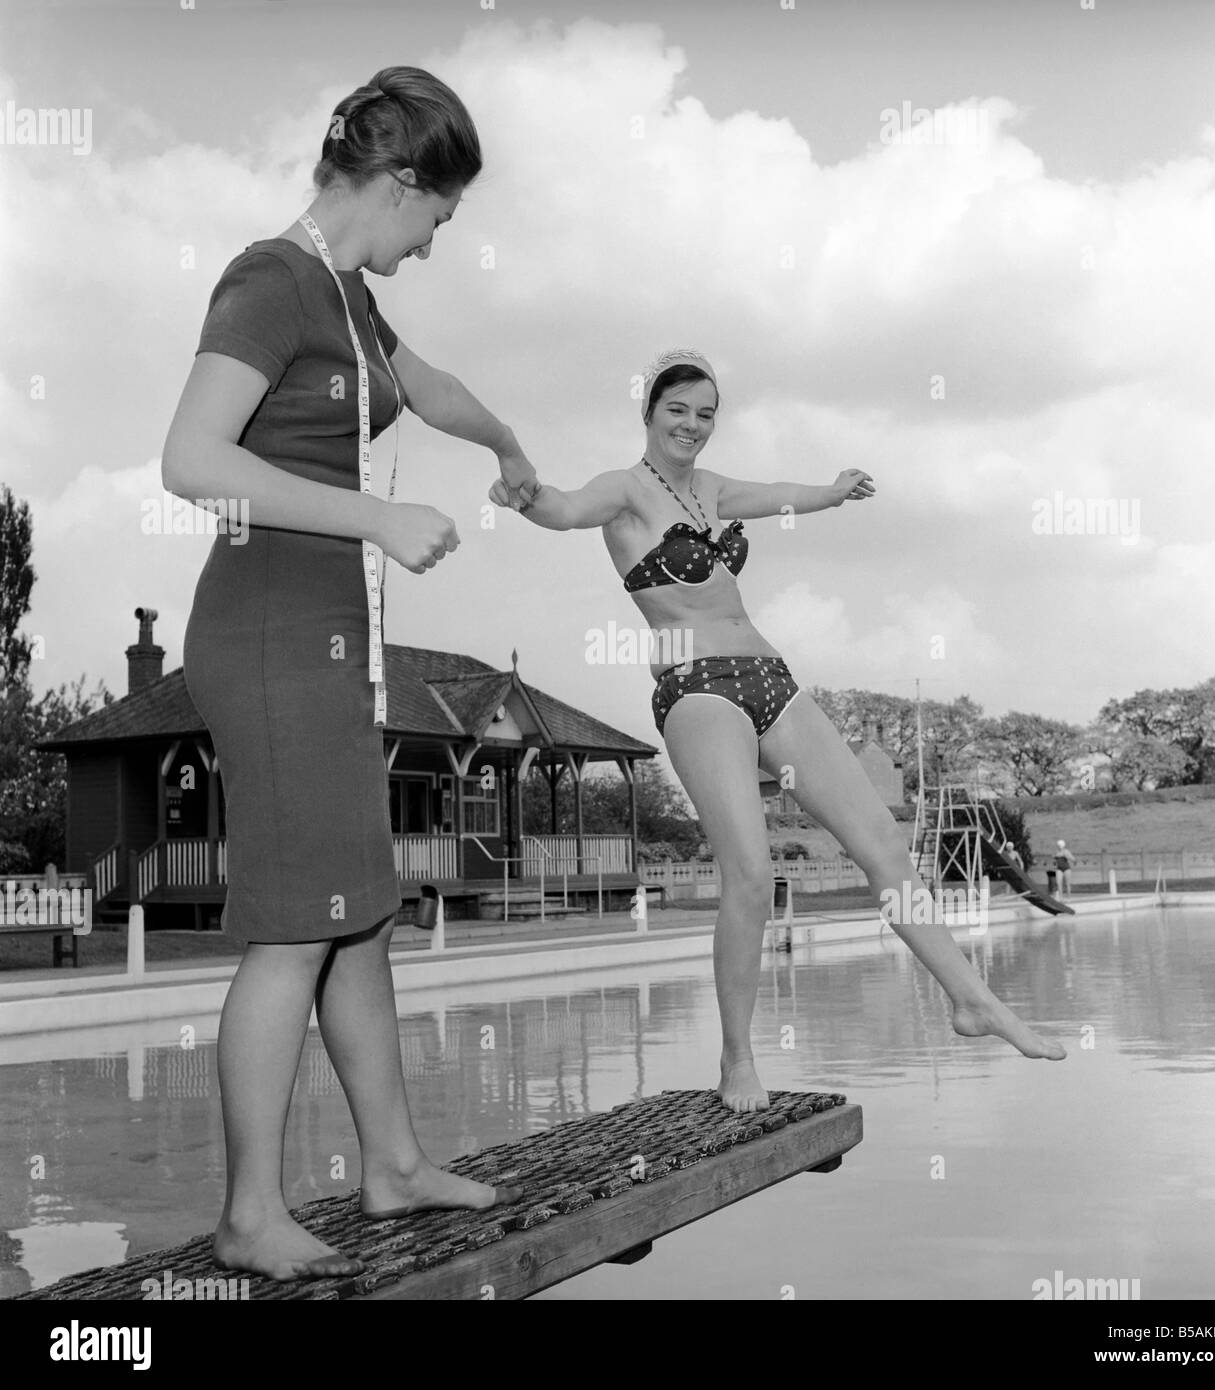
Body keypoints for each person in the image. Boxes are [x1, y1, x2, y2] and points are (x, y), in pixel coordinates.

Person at [162, 67, 538, 1280]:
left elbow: (422, 387)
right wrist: (372, 522)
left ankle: (389, 1165)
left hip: (326, 652)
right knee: (292, 931)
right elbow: (190, 459)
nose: (433, 245)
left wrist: (509, 446)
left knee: (358, 914)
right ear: (397, 184)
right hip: (267, 641)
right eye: (438, 219)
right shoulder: (272, 279)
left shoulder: (345, 296)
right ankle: (248, 1213)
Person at [491, 349, 1066, 1112]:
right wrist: (523, 493)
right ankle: (735, 1058)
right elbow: (561, 508)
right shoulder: (623, 491)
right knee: (751, 875)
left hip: (772, 681)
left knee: (884, 844)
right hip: (697, 691)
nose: (692, 425)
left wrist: (829, 493)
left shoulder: (713, 489)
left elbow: (775, 494)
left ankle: (971, 999)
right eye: (678, 410)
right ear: (649, 412)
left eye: (705, 414)